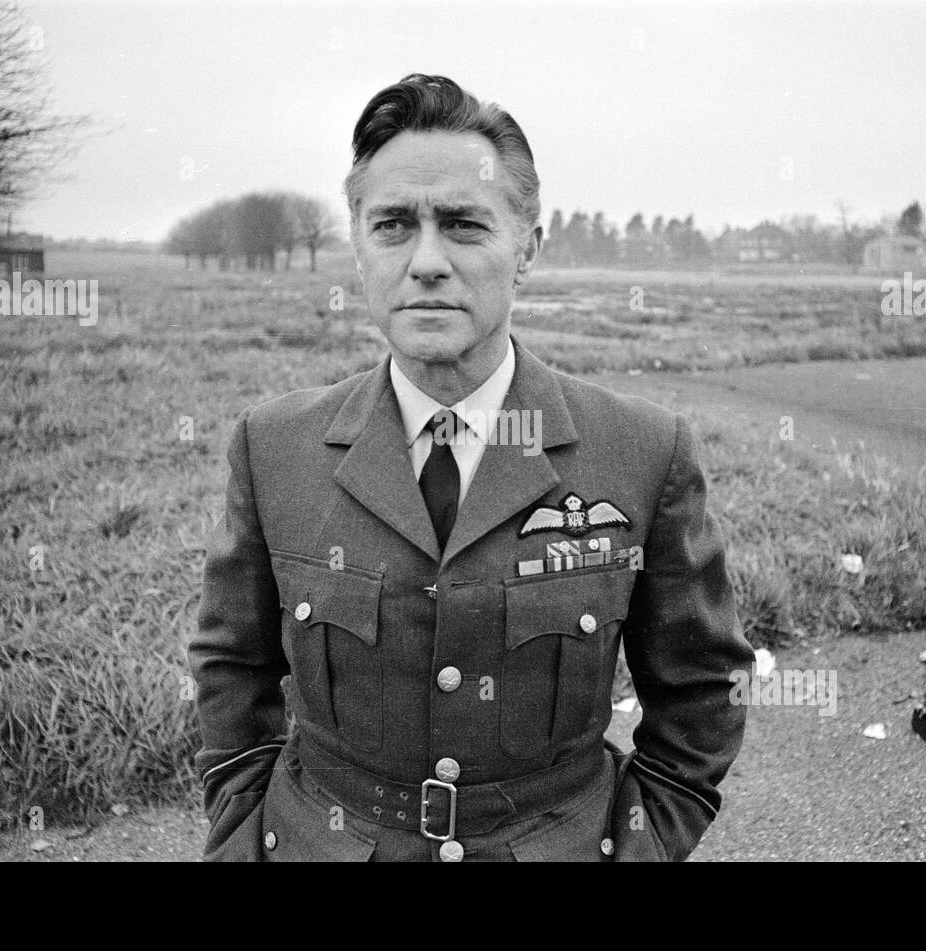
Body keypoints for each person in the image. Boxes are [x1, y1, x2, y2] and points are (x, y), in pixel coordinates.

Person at [187, 73, 754, 862]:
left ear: (528, 247)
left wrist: (641, 846)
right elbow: (231, 670)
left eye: (463, 225)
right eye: (393, 225)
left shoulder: (641, 452)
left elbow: (704, 687)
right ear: (357, 244)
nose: (426, 262)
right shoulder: (274, 448)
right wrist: (246, 834)